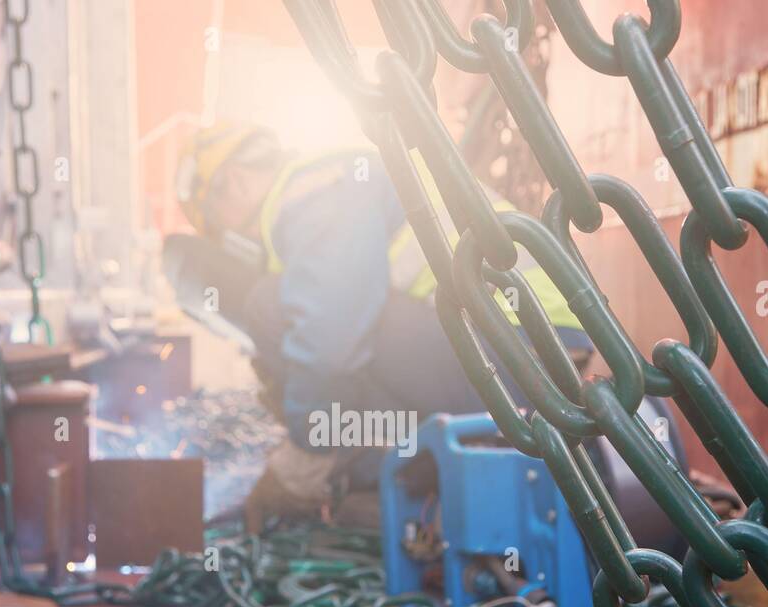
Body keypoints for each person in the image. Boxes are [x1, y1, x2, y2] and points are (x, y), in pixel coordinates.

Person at [172, 121, 592, 530]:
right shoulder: (328, 185)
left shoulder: (315, 188)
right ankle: (396, 477)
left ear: (237, 182)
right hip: (528, 351)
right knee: (305, 321)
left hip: (521, 354)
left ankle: (364, 467)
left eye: (215, 224)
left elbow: (332, 339)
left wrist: (305, 453)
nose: (228, 240)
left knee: (272, 306)